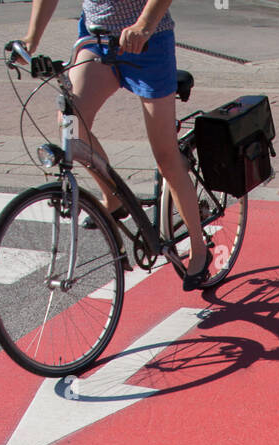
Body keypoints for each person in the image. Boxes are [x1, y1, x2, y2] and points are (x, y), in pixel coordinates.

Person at [20, 0, 211, 289]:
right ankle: (113, 199)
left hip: (149, 42)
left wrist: (143, 25)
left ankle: (199, 248)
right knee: (70, 124)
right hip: (96, 41)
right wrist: (31, 38)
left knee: (165, 156)